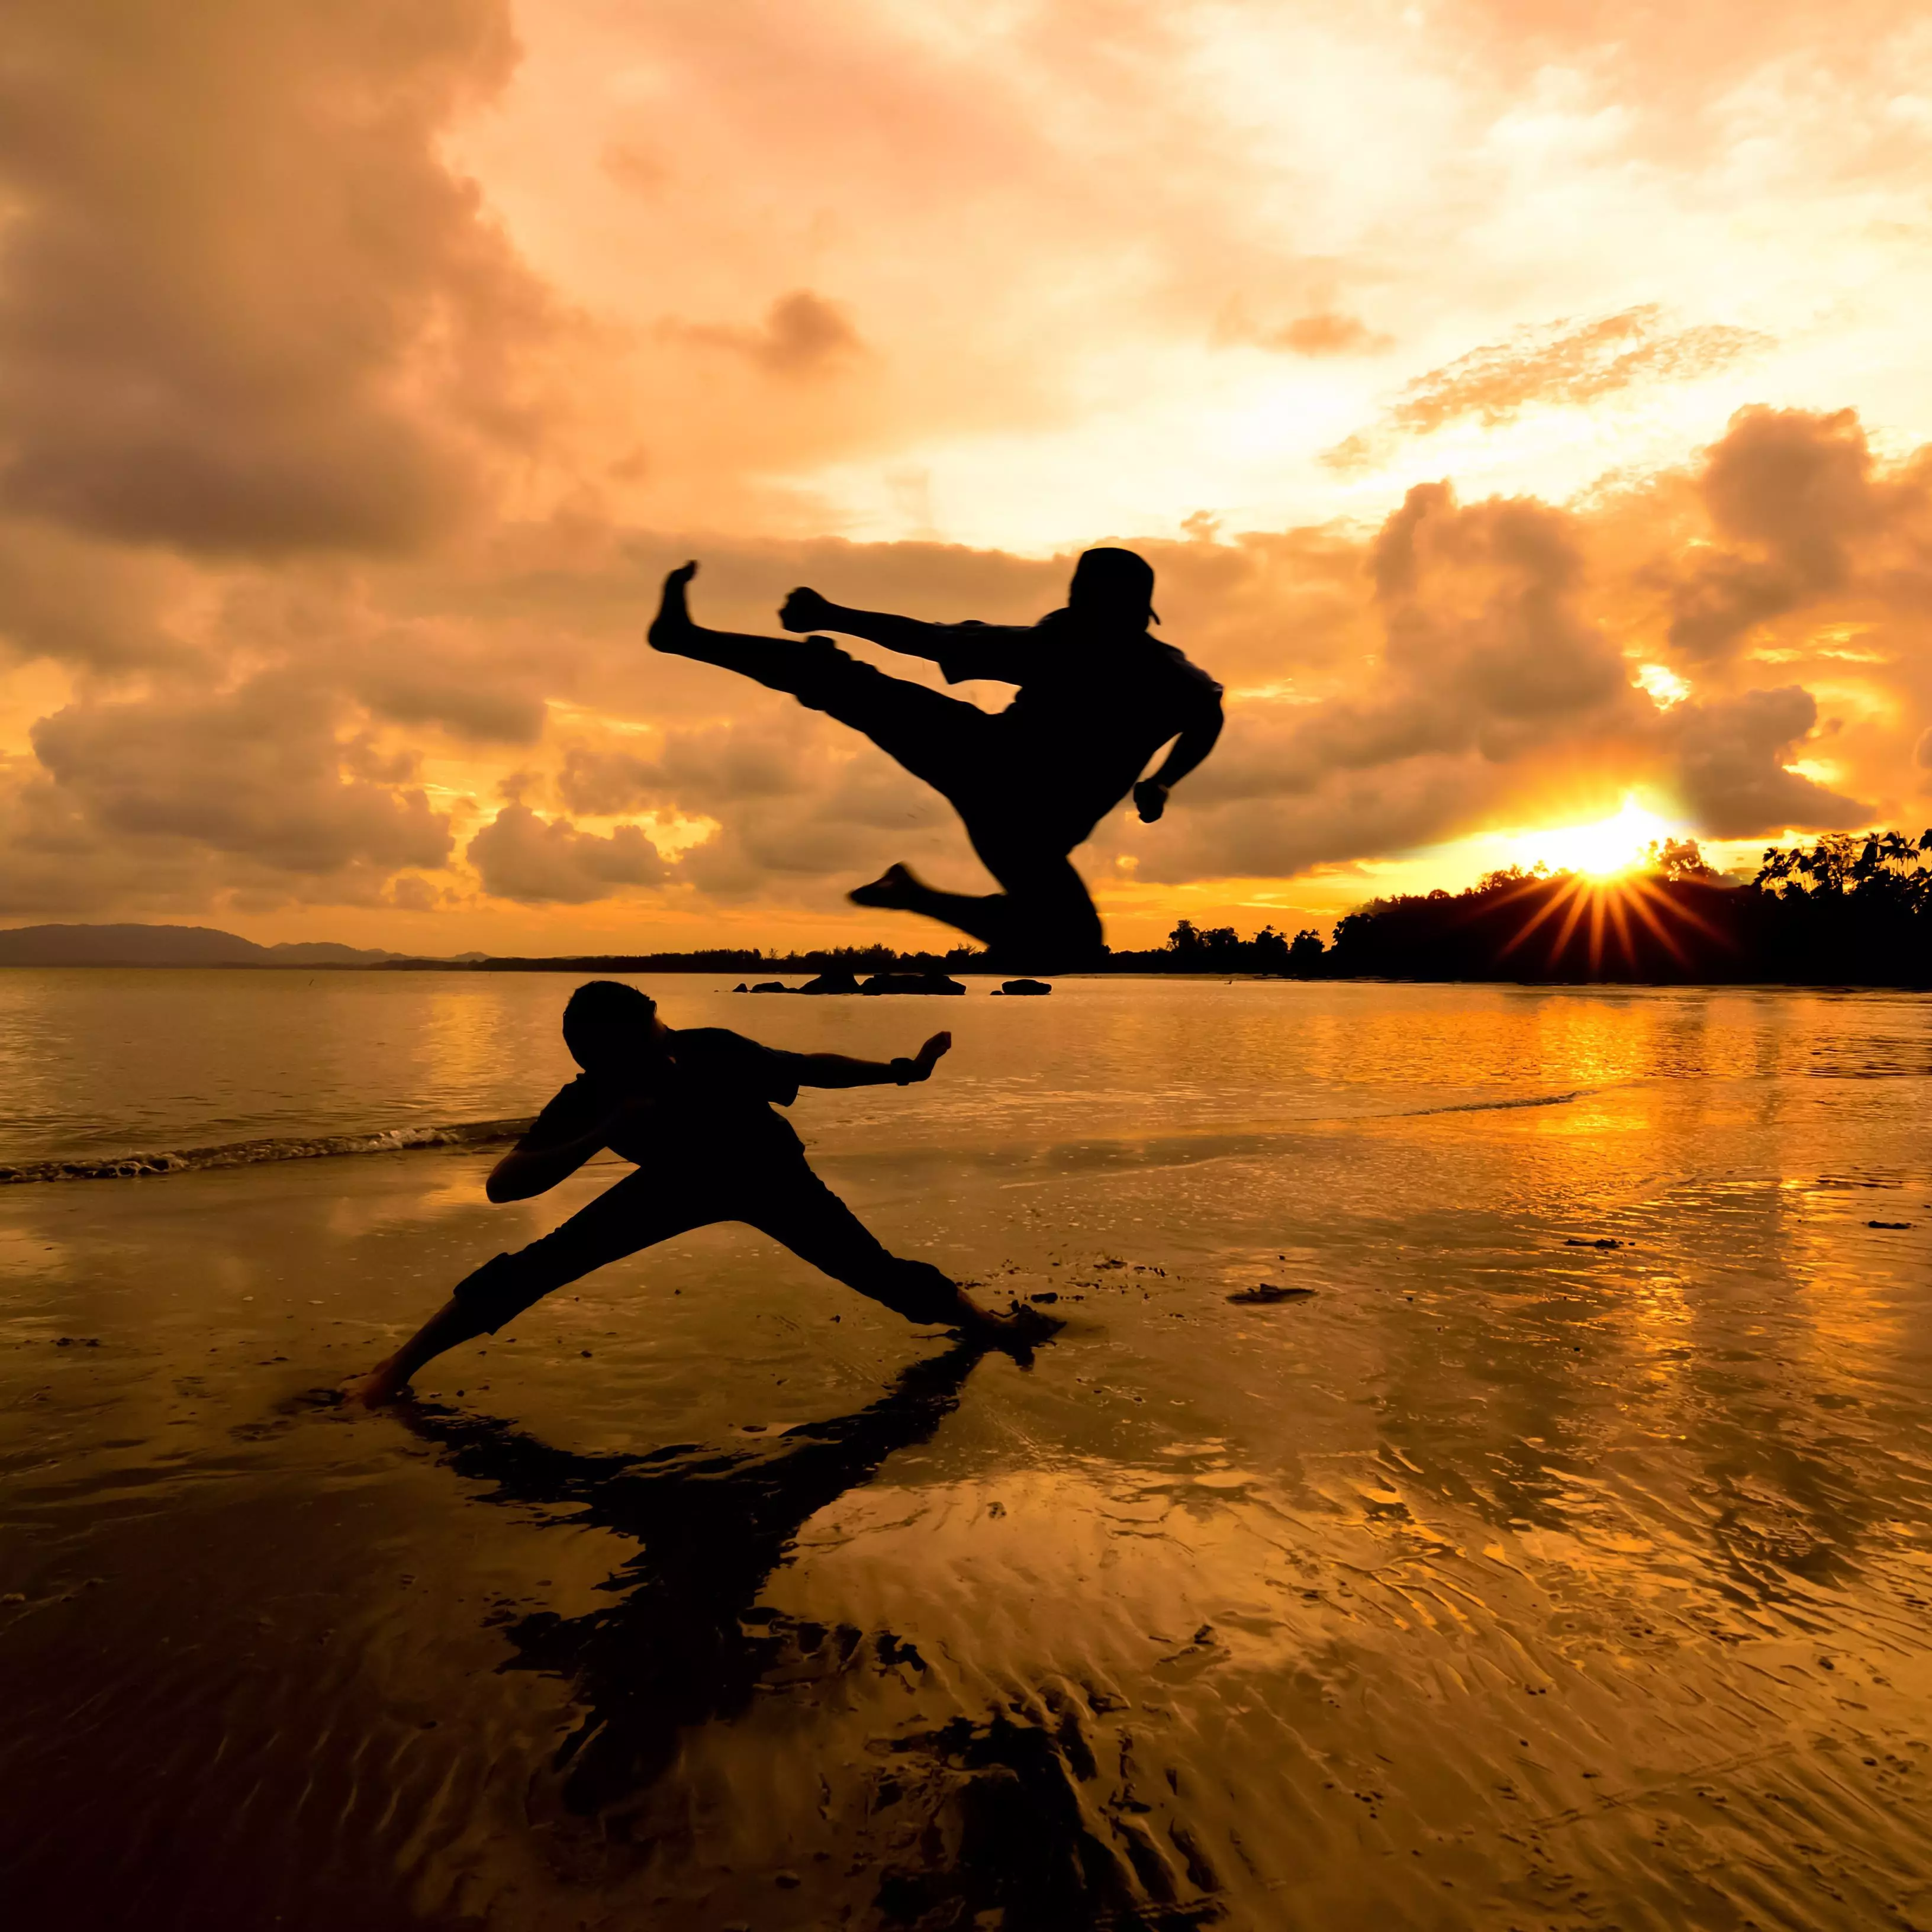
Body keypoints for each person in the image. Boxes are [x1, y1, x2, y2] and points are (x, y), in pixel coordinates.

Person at [347, 981, 1046, 1406]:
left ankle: (984, 1325)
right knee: (542, 1265)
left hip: (772, 1178)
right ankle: (393, 1371)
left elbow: (807, 1066)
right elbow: (505, 1186)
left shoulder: (705, 1047)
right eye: (646, 1035)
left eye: (648, 1029)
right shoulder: (592, 1095)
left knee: (878, 1275)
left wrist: (903, 1070)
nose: (661, 1041)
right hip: (672, 1189)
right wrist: (607, 1128)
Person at [647, 549, 1223, 970]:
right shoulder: (1125, 665)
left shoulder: (1101, 659)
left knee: (1069, 945)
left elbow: (933, 640)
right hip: (989, 770)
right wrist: (1163, 782)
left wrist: (1165, 780)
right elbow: (935, 640)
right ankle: (686, 638)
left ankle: (911, 895)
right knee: (843, 684)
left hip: (1006, 805)